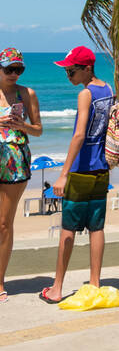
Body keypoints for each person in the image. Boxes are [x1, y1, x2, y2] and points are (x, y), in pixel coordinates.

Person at [40, 47, 113, 304]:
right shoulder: (108, 89)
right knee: (96, 228)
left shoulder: (86, 93)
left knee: (68, 230)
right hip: (101, 169)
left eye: (71, 71)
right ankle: (95, 284)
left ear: (87, 69)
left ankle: (57, 288)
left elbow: (79, 135)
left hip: (81, 170)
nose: (68, 75)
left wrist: (63, 174)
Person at [0, 47, 42, 303]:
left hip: (15, 161)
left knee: (4, 223)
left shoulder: (27, 94)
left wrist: (21, 125)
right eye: (9, 68)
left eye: (19, 69)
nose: (14, 73)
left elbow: (38, 130)